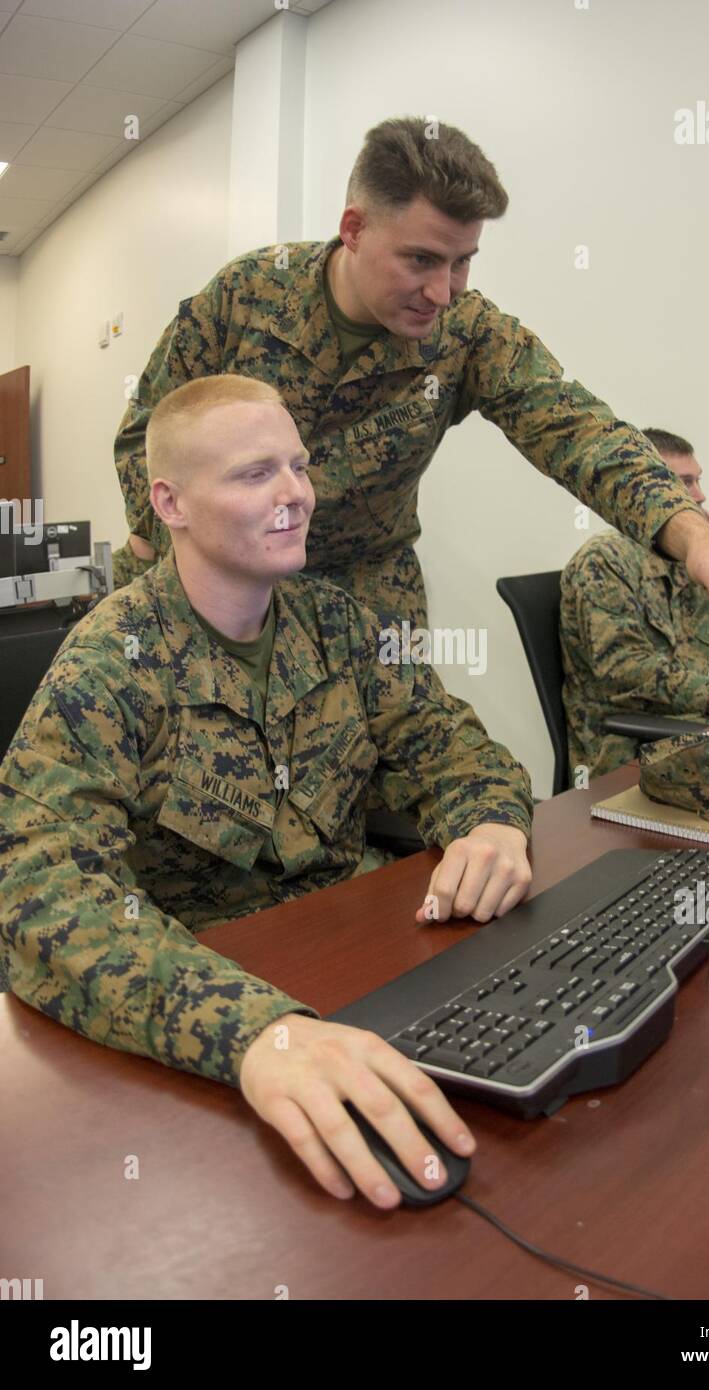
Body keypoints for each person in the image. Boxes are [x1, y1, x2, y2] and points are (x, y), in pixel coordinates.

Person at [0, 374, 536, 1211]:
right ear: (170, 503)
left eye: (299, 465)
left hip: (374, 960)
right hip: (208, 1010)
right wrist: (252, 1033)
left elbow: (451, 745)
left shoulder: (337, 623)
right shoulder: (107, 665)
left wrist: (493, 824)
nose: (297, 495)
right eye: (256, 474)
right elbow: (43, 897)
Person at [110, 116, 709, 640]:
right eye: (421, 259)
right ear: (354, 229)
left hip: (367, 602)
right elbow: (144, 432)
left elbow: (577, 430)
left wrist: (690, 529)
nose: (443, 291)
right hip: (220, 588)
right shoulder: (247, 294)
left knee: (401, 777)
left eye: (462, 263)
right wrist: (169, 547)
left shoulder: (469, 334)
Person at [559, 428, 709, 781]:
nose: (701, 496)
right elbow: (627, 674)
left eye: (698, 481)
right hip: (625, 750)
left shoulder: (688, 563)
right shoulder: (605, 561)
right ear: (648, 492)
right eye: (686, 483)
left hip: (690, 732)